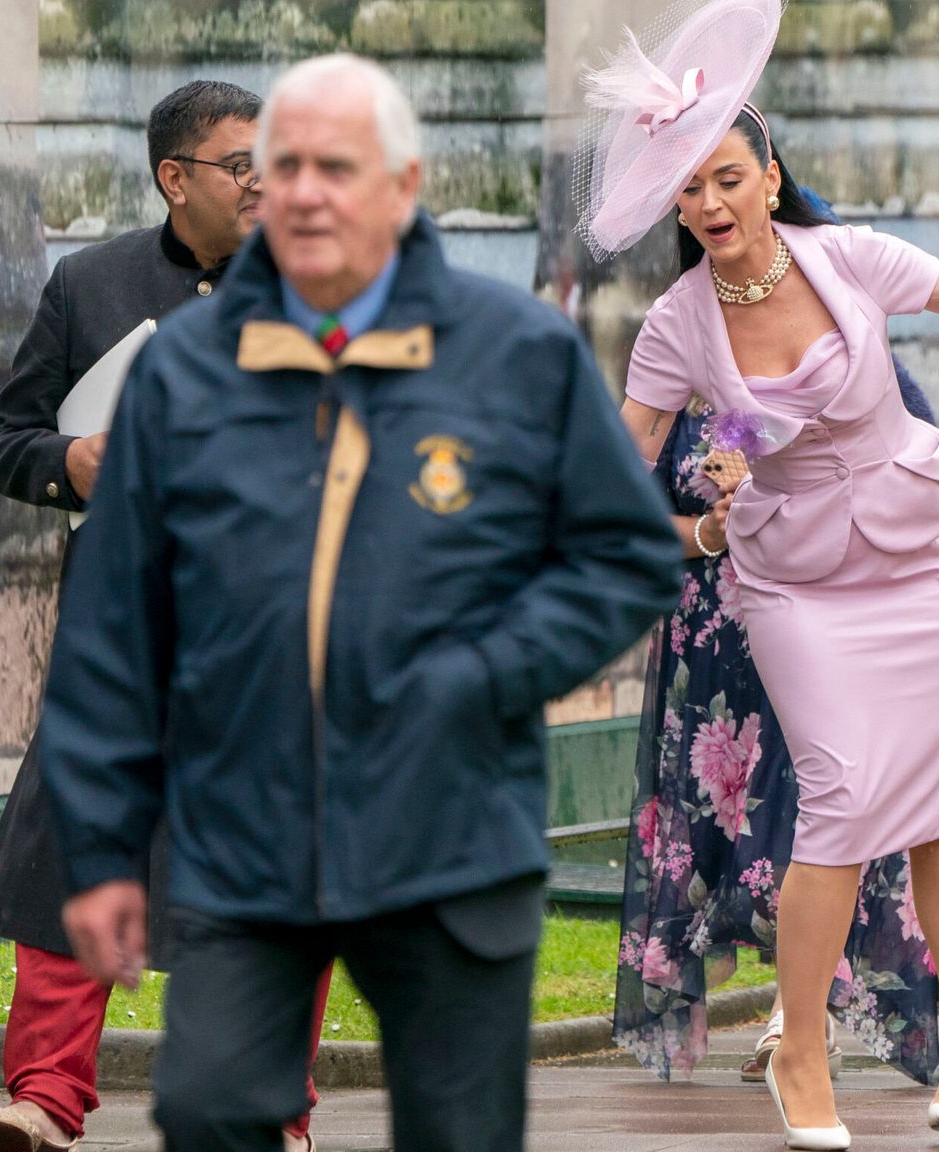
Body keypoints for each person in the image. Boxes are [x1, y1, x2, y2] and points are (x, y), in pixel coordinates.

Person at [38, 54, 682, 1152]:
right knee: (205, 1110)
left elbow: (624, 555)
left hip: (450, 836)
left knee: (459, 1134)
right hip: (244, 842)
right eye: (281, 166)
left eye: (335, 167)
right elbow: (112, 627)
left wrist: (483, 676)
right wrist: (99, 851)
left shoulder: (514, 352)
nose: (301, 192)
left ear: (402, 185)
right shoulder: (189, 369)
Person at [575, 3, 939, 1144]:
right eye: (690, 189)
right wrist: (699, 533)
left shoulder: (850, 258)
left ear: (770, 178)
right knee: (833, 796)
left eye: (729, 178)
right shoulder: (675, 326)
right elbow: (614, 479)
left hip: (917, 563)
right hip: (792, 585)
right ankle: (803, 1050)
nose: (712, 204)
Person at [0, 79, 327, 1152]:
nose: (264, 183)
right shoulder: (89, 283)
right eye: (242, 165)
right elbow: (7, 444)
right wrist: (70, 461)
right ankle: (43, 1101)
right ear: (176, 178)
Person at [613, 210, 939, 1085]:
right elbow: (624, 510)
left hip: (822, 618)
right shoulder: (674, 349)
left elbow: (904, 453)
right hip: (713, 648)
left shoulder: (841, 342)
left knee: (816, 816)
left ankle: (798, 1017)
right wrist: (709, 532)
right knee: (728, 840)